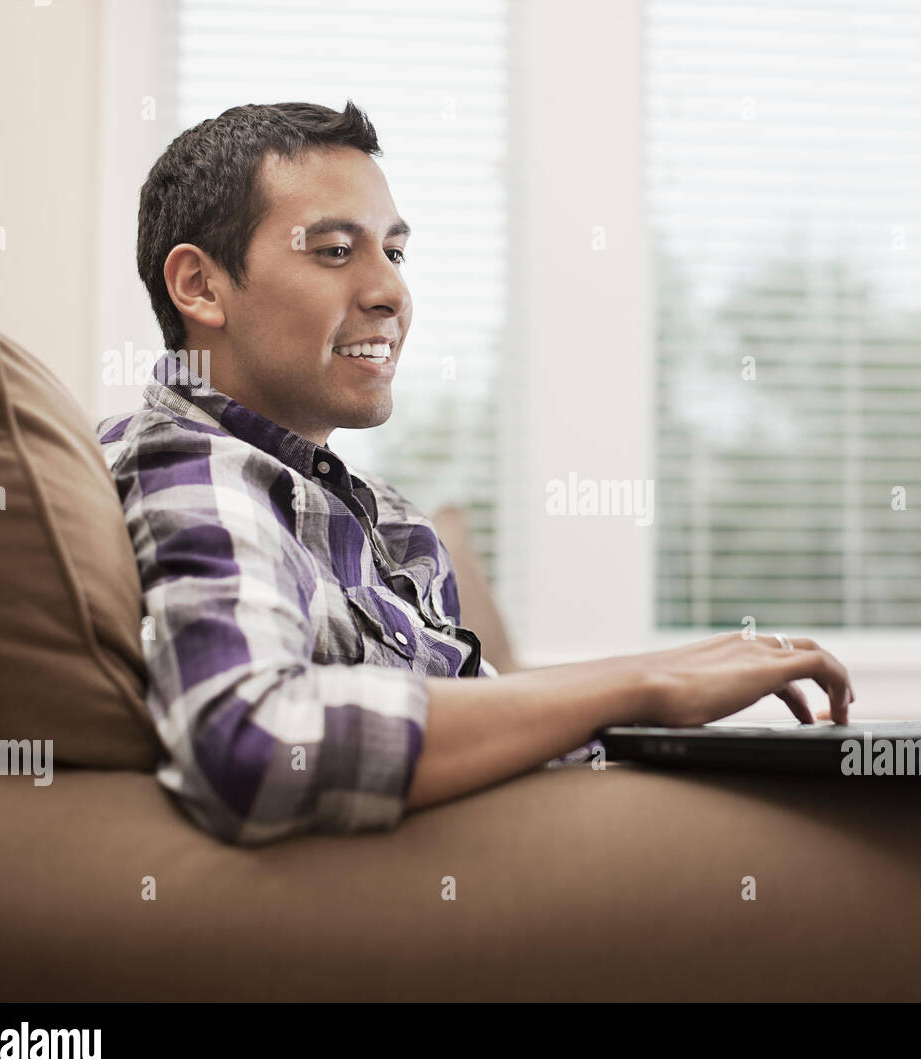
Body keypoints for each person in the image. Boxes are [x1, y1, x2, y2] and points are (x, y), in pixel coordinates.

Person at [98, 100, 853, 846]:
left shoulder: (380, 518)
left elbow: (485, 726)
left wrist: (671, 694)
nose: (390, 292)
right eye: (334, 251)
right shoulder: (190, 466)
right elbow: (251, 747)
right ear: (199, 286)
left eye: (393, 253)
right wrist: (640, 683)